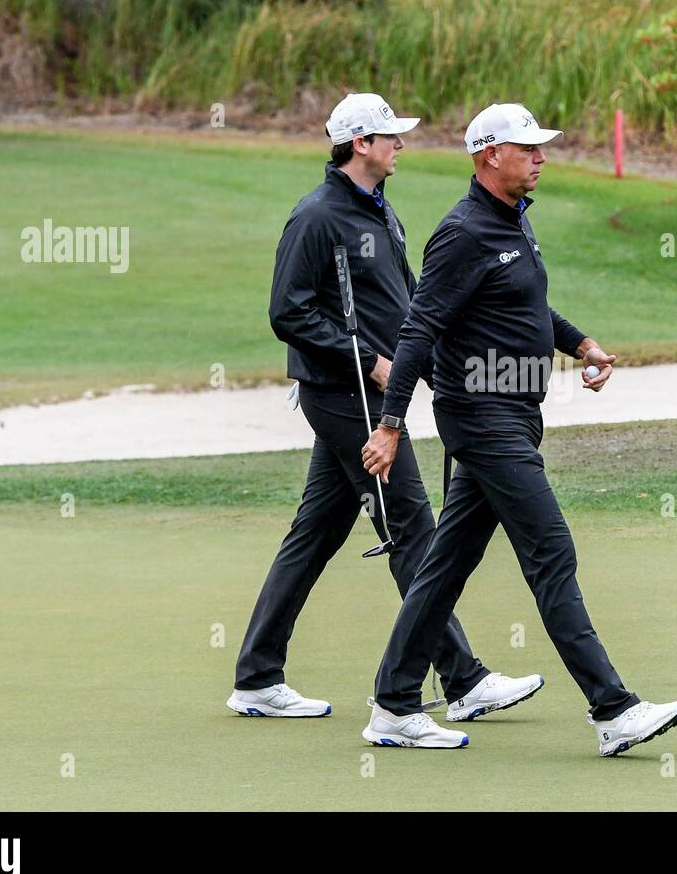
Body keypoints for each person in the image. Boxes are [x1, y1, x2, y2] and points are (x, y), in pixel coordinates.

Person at [358, 103, 677, 755]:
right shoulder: (463, 233)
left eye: (541, 148)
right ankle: (613, 709)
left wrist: (581, 343)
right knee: (551, 553)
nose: (540, 157)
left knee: (445, 566)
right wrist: (392, 422)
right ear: (488, 156)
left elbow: (527, 305)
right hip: (482, 419)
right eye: (527, 148)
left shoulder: (511, 223)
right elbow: (419, 330)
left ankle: (394, 703)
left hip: (513, 416)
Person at [227, 93, 543, 722]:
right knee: (411, 524)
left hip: (367, 391)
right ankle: (462, 679)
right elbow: (287, 313)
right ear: (359, 144)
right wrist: (373, 361)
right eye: (389, 136)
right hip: (343, 395)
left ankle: (257, 677)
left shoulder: (378, 211)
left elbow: (409, 303)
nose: (400, 143)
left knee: (315, 532)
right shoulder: (316, 216)